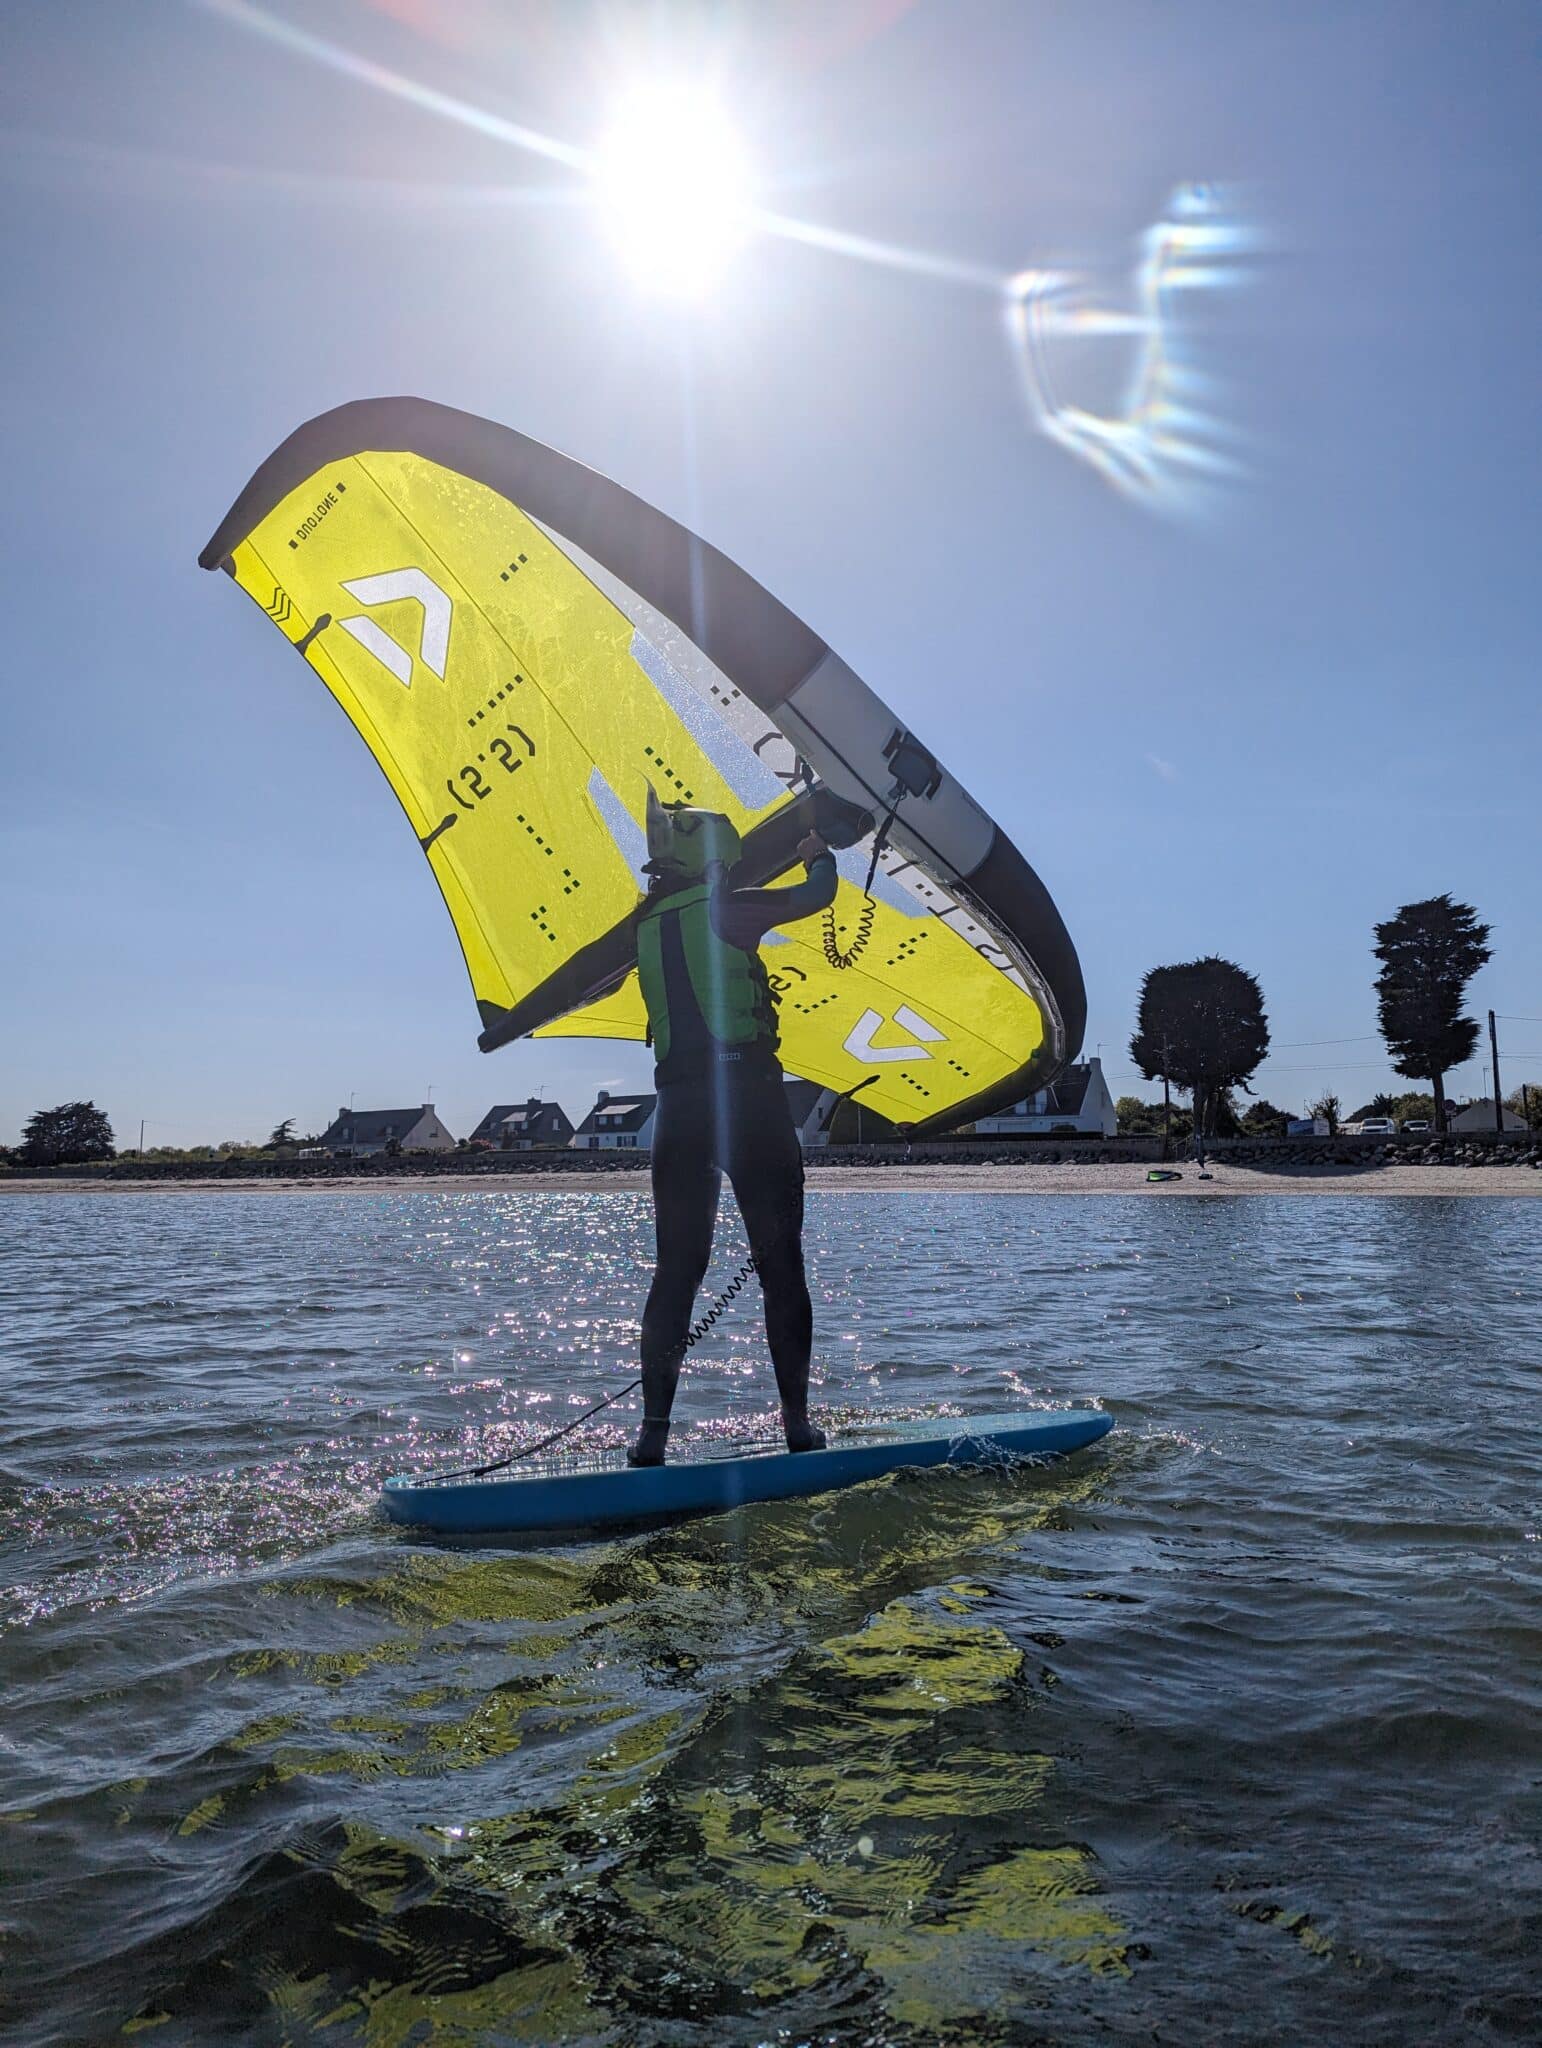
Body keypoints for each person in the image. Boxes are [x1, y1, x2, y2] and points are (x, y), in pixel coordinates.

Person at [629, 790, 839, 1466]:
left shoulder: (644, 926)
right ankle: (798, 1428)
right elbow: (816, 897)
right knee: (782, 1268)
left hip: (678, 1114)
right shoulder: (725, 908)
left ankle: (652, 1438)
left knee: (676, 1274)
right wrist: (816, 855)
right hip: (746, 1101)